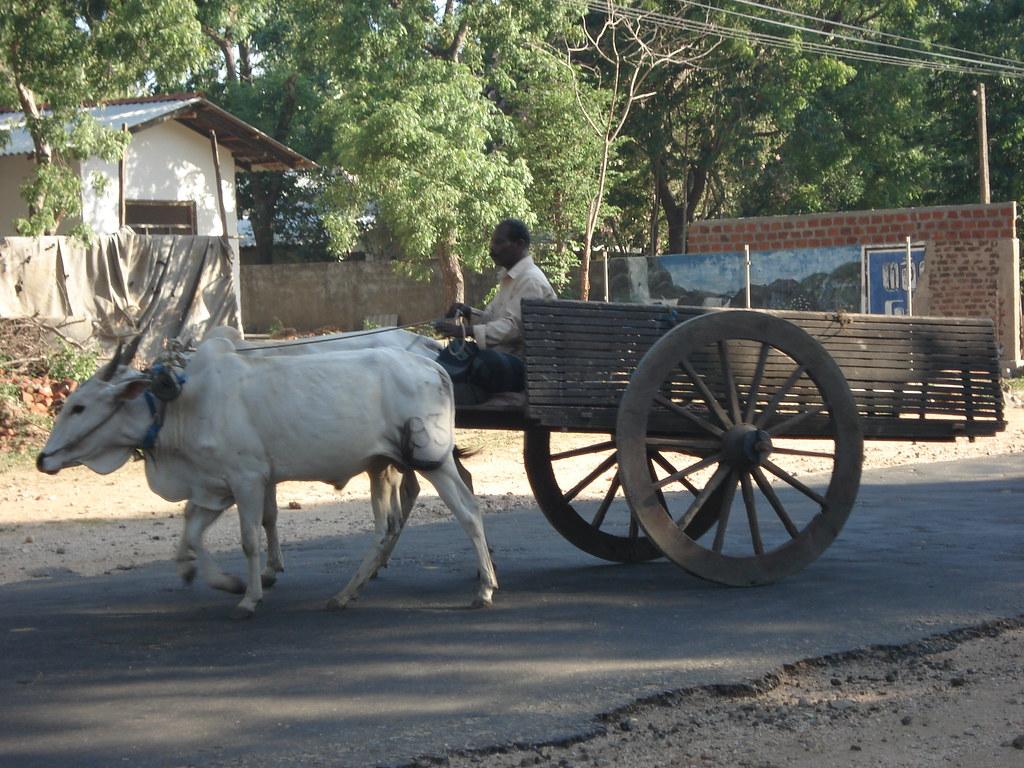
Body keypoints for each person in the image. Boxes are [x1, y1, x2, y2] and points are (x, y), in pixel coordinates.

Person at [433, 218, 555, 400]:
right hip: (505, 357)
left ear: (519, 244)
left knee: (487, 361)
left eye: (499, 242)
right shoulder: (511, 278)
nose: (492, 248)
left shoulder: (531, 280)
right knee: (458, 348)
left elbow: (512, 328)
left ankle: (457, 392)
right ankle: (445, 388)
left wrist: (466, 330)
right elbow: (493, 318)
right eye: (492, 242)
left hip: (528, 369)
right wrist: (468, 312)